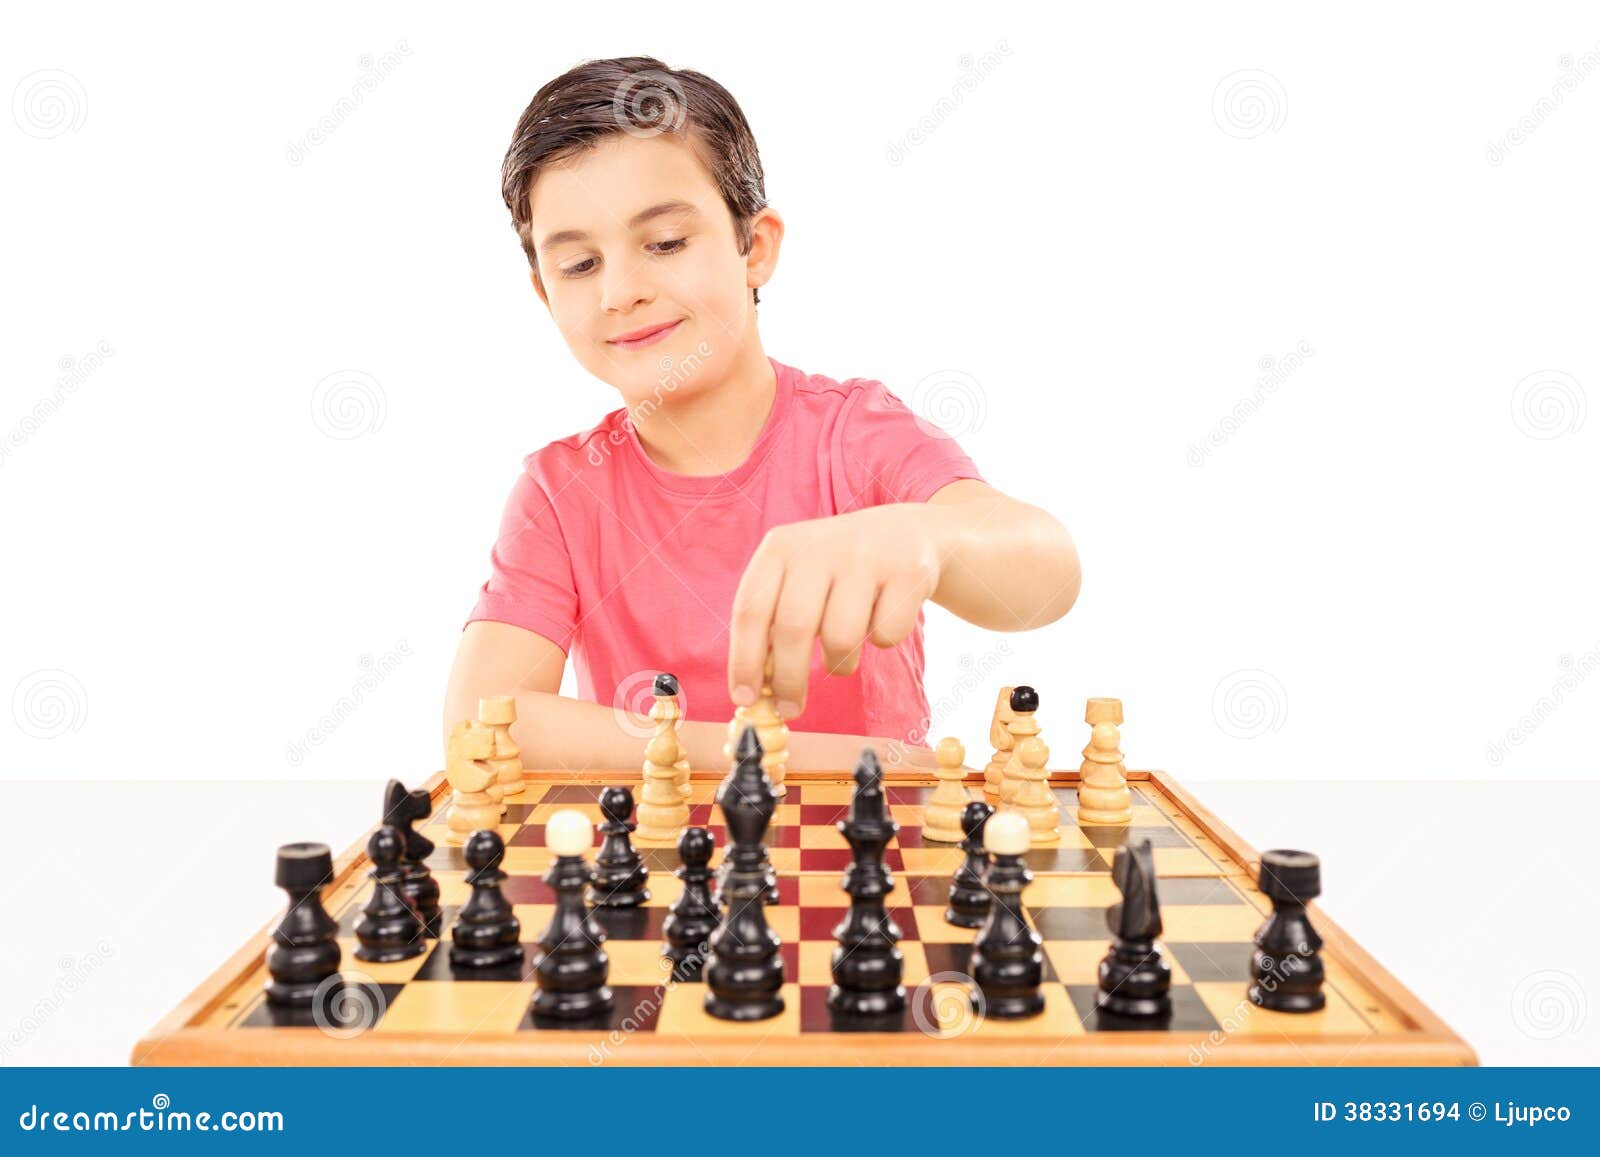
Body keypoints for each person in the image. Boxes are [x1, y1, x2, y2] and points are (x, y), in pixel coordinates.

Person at [443, 56, 1081, 771]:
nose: (621, 292)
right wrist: (780, 756)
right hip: (666, 847)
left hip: (875, 840)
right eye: (579, 265)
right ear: (543, 293)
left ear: (756, 247)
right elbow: (480, 728)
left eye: (665, 243)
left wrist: (929, 535)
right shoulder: (562, 491)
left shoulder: (856, 435)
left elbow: (1049, 573)